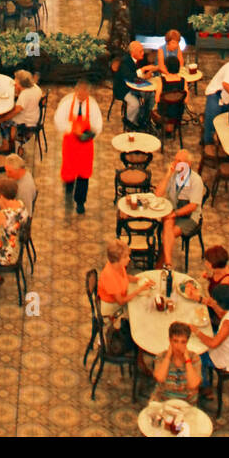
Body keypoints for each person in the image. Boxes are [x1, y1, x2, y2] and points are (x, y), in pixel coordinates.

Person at [55, 78, 103, 214]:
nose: (81, 95)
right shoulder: (66, 103)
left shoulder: (92, 105)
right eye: (79, 92)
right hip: (70, 144)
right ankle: (68, 193)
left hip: (85, 147)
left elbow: (97, 125)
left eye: (84, 93)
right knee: (68, 172)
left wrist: (87, 134)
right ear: (75, 91)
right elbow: (59, 121)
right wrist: (73, 129)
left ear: (88, 93)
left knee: (84, 175)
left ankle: (80, 202)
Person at [97, 238, 154, 346]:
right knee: (141, 311)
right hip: (111, 309)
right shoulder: (110, 276)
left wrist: (140, 279)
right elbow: (121, 302)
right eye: (125, 257)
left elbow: (125, 277)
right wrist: (139, 290)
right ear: (117, 259)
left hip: (120, 299)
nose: (129, 259)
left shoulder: (118, 266)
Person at [155, 150, 205, 269]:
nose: (176, 163)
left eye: (179, 161)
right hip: (174, 212)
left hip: (189, 217)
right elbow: (158, 194)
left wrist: (174, 214)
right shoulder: (174, 176)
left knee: (168, 234)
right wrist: (168, 175)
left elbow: (193, 206)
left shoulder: (196, 180)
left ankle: (162, 264)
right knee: (167, 225)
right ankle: (167, 263)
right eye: (175, 160)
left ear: (188, 164)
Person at [153, 322, 203, 405]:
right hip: (163, 401)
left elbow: (193, 384)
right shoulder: (161, 356)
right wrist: (168, 356)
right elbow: (160, 378)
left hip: (186, 403)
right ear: (170, 340)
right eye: (175, 341)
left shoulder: (194, 358)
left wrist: (187, 359)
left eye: (183, 342)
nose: (178, 346)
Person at [112, 39, 148, 124]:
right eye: (140, 51)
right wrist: (143, 70)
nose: (143, 53)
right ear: (133, 53)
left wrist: (146, 74)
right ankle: (130, 122)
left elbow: (140, 73)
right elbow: (129, 77)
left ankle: (144, 118)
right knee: (135, 104)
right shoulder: (125, 62)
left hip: (135, 86)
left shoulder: (141, 58)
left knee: (150, 96)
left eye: (143, 50)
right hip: (123, 89)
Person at [7, 71, 43, 141]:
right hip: (35, 117)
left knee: (2, 120)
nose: (14, 82)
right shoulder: (36, 88)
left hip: (26, 124)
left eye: (16, 80)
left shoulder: (24, 95)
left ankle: (7, 144)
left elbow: (14, 112)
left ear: (21, 84)